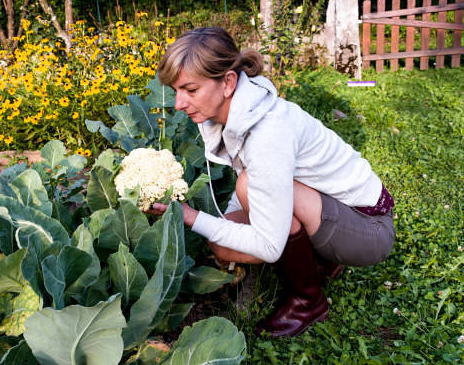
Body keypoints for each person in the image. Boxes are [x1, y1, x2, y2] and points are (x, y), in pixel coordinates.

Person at [149, 27, 395, 337]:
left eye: (190, 90)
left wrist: (193, 217)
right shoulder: (244, 107)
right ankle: (323, 260)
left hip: (369, 229)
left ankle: (309, 301)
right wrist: (222, 223)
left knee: (243, 203)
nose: (179, 103)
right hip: (339, 209)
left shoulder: (268, 133)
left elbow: (268, 246)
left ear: (227, 83)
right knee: (227, 230)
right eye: (176, 91)